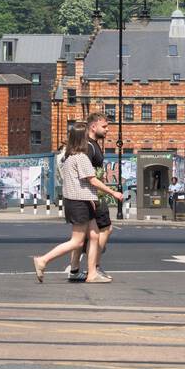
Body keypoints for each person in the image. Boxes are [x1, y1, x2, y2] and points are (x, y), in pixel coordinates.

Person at [32, 122, 122, 284]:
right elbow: (92, 180)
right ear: (82, 138)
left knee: (94, 235)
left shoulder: (69, 157)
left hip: (81, 201)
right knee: (77, 241)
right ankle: (43, 260)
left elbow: (81, 183)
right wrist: (113, 192)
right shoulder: (81, 157)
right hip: (80, 202)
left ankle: (92, 272)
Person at [66, 113, 116, 282]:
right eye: (104, 126)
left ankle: (75, 270)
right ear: (93, 127)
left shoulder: (91, 144)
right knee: (104, 229)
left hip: (91, 195)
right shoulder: (88, 147)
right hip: (92, 195)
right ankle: (94, 267)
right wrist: (110, 192)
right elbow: (88, 176)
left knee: (85, 236)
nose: (107, 130)